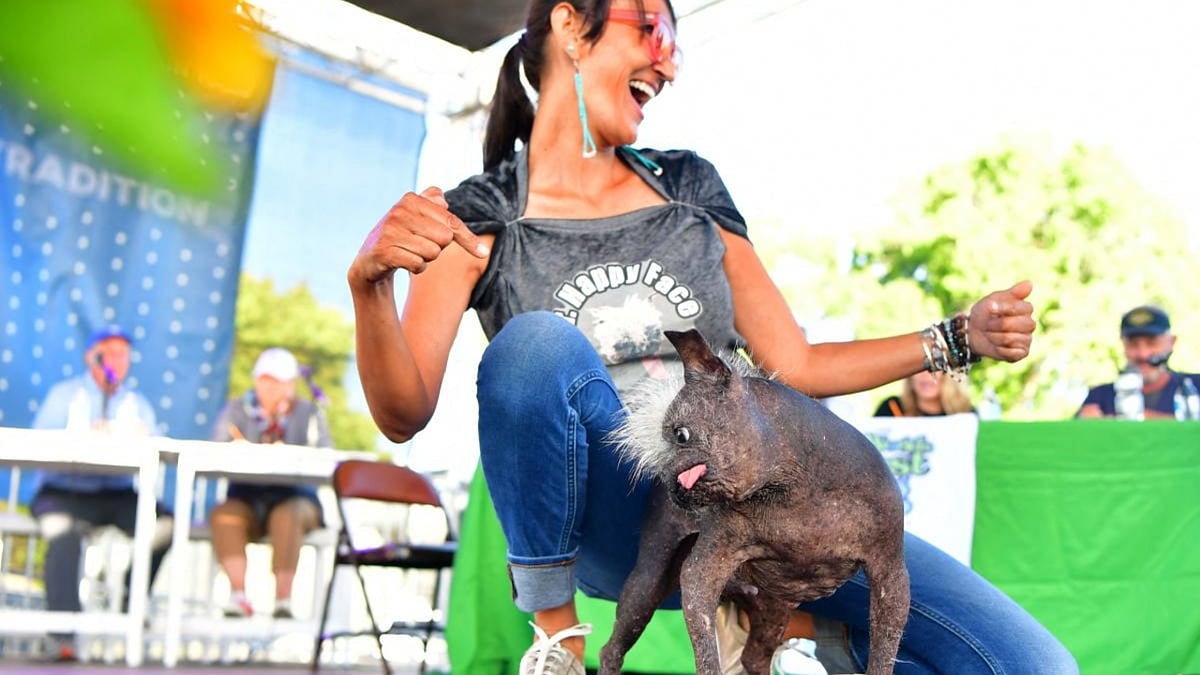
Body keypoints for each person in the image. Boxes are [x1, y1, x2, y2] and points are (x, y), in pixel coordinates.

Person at [346, 1, 1078, 674]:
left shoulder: (689, 189)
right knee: (536, 346)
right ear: (572, 27)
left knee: (1030, 664)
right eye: (652, 30)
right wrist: (369, 285)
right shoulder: (481, 216)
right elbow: (403, 411)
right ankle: (558, 639)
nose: (667, 61)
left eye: (676, 47)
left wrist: (955, 337)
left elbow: (794, 363)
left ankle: (791, 626)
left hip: (761, 503)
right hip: (620, 513)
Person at [29, 324, 174, 662]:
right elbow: (38, 443)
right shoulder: (66, 395)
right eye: (108, 352)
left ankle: (130, 599)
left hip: (114, 493)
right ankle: (62, 635)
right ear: (91, 357)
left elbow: (155, 446)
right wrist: (81, 436)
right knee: (62, 535)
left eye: (122, 354)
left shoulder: (136, 404)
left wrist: (134, 436)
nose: (116, 360)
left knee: (164, 524)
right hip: (63, 490)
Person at [208, 347, 329, 619]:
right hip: (247, 497)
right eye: (265, 380)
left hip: (296, 497)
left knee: (289, 516)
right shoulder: (237, 410)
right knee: (224, 516)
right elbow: (216, 449)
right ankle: (239, 595)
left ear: (291, 385)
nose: (270, 388)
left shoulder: (309, 413)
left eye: (278, 382)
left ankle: (283, 601)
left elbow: (326, 456)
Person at [1076, 305, 1199, 419]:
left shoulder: (1194, 387)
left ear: (1172, 342)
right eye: (1133, 344)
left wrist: (1129, 421)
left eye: (1152, 343)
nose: (1143, 354)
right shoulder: (1100, 397)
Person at [874, 370, 975, 417]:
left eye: (934, 368)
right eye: (920, 368)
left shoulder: (967, 414)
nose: (926, 375)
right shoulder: (892, 408)